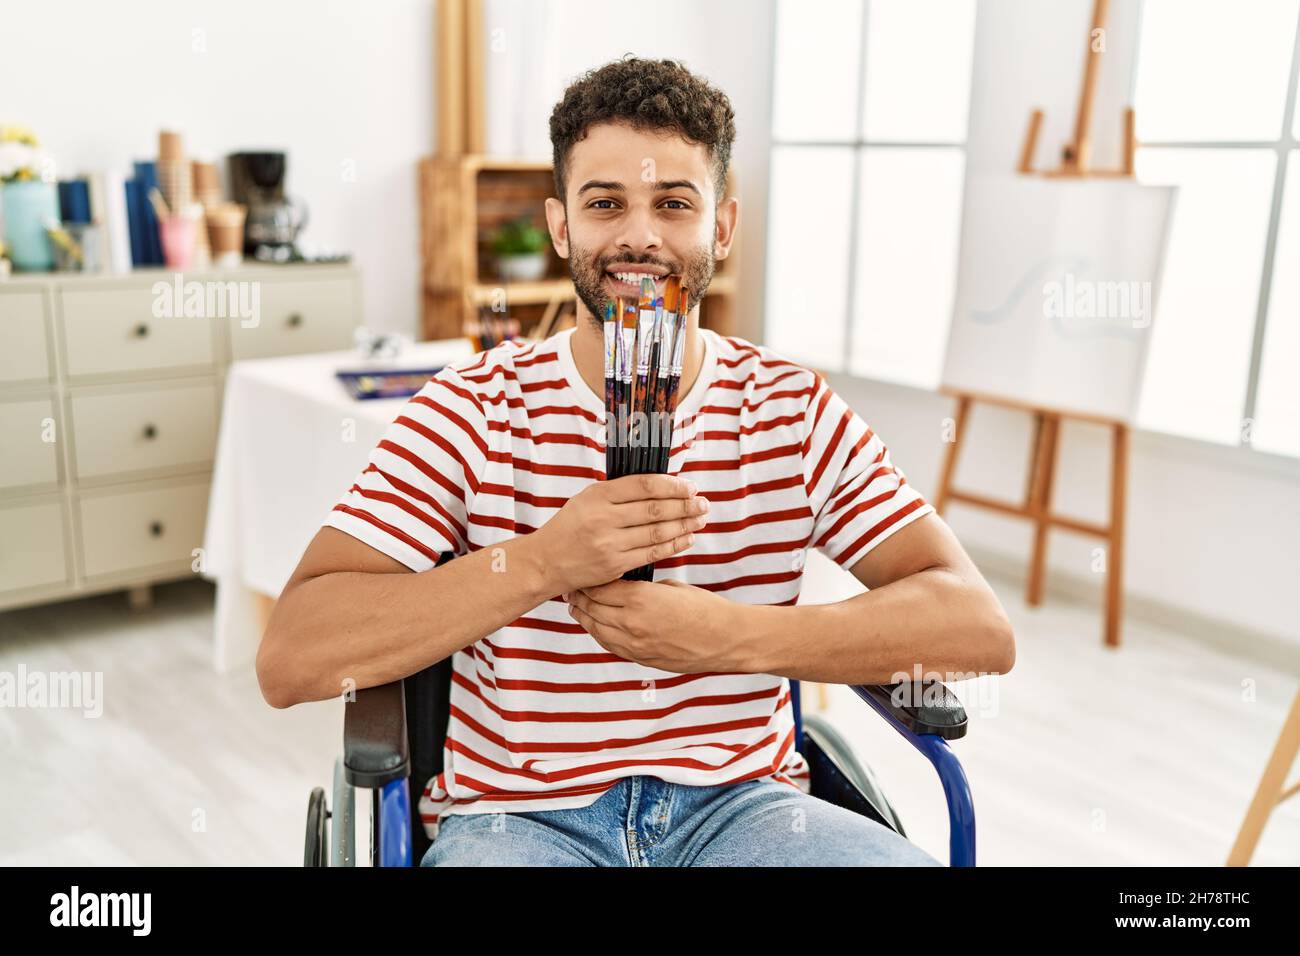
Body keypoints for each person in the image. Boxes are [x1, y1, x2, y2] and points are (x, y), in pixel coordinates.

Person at [256, 57, 1014, 867]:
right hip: (517, 821)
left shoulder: (792, 408)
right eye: (605, 203)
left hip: (746, 810)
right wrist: (543, 561)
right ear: (560, 226)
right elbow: (292, 657)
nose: (640, 236)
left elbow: (978, 631)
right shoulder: (469, 408)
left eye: (673, 205)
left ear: (721, 226)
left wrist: (736, 637)